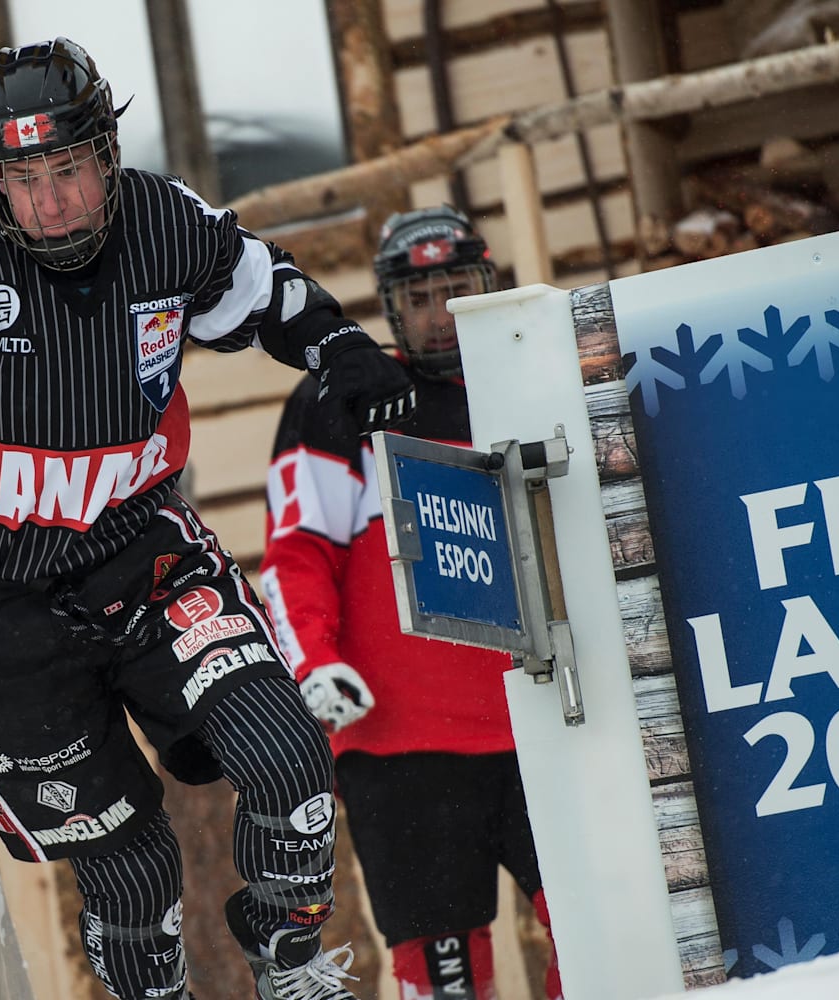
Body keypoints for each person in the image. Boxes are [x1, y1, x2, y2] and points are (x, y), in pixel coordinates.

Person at [0, 37, 417, 1000]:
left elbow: (264, 292)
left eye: (68, 170)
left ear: (105, 157)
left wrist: (342, 347)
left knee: (290, 759)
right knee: (133, 864)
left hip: (145, 558)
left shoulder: (163, 221)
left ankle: (292, 963)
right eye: (25, 178)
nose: (51, 201)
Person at [259, 207, 563, 1000]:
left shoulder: (540, 381)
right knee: (447, 982)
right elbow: (296, 553)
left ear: (485, 286)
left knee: (603, 940)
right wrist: (312, 663)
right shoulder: (337, 402)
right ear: (393, 305)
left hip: (549, 729)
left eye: (455, 289)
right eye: (420, 295)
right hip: (402, 753)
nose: (439, 313)